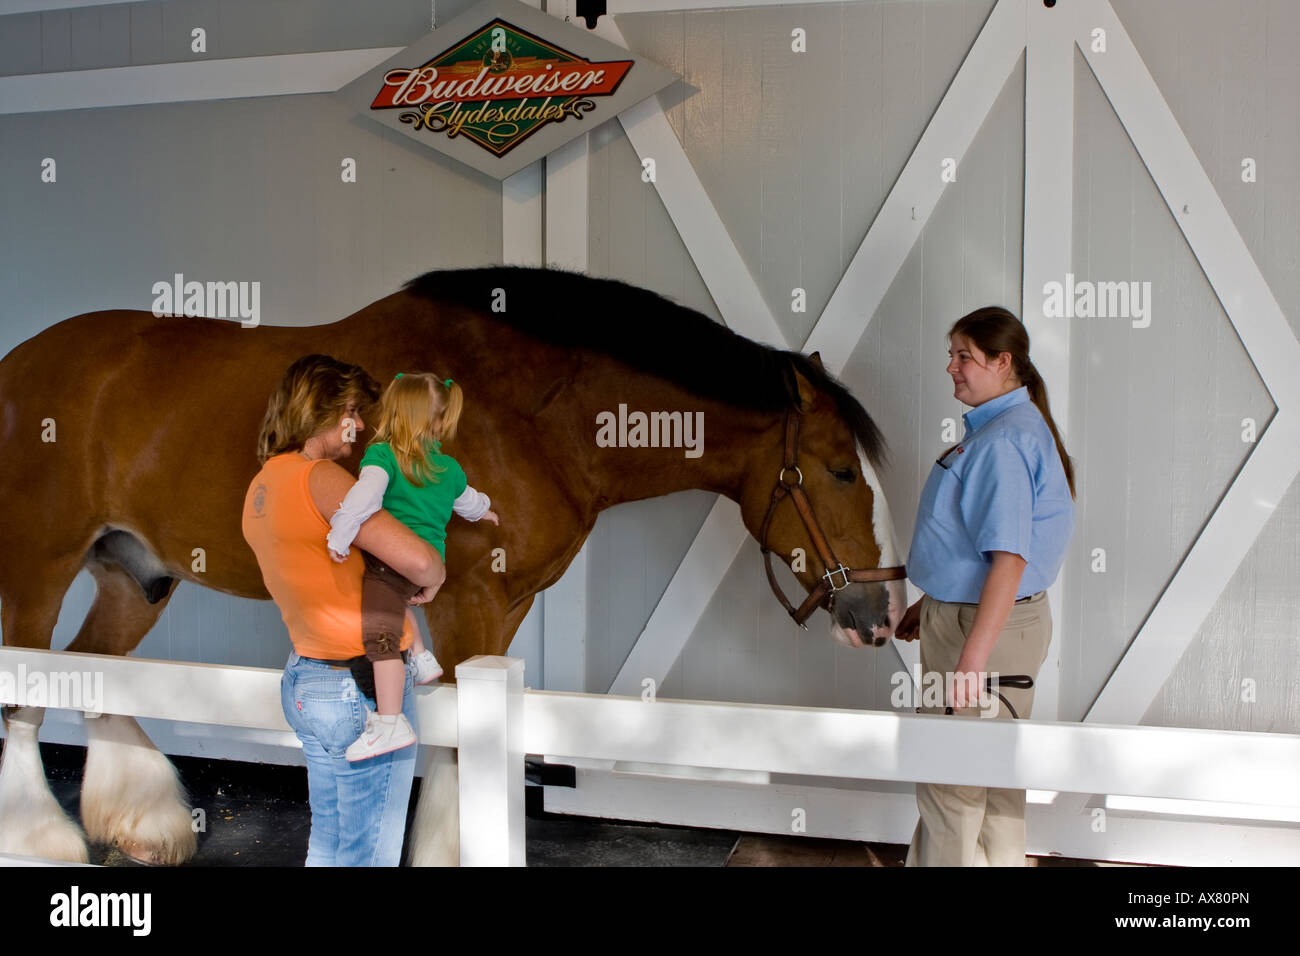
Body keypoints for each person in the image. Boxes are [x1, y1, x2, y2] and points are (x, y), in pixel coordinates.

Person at [241, 354, 445, 866]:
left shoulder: (261, 486)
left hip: (307, 678)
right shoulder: (323, 478)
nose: (359, 423)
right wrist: (436, 577)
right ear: (320, 410)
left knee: (331, 849)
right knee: (365, 856)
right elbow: (420, 560)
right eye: (350, 410)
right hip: (358, 688)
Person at [895, 306, 1075, 866]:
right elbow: (984, 548)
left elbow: (1009, 559)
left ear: (1004, 363)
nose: (951, 367)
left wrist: (971, 660)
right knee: (995, 784)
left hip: (981, 632)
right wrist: (933, 601)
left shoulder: (999, 443)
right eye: (950, 354)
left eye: (963, 357)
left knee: (951, 788)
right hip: (995, 621)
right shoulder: (1013, 428)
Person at [325, 372, 499, 761]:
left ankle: (389, 722)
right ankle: (421, 657)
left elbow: (363, 499)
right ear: (436, 422)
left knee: (379, 633)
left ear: (395, 414)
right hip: (428, 561)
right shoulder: (449, 468)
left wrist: (339, 535)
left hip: (391, 559)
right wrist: (487, 512)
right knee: (396, 602)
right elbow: (468, 501)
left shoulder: (382, 456)